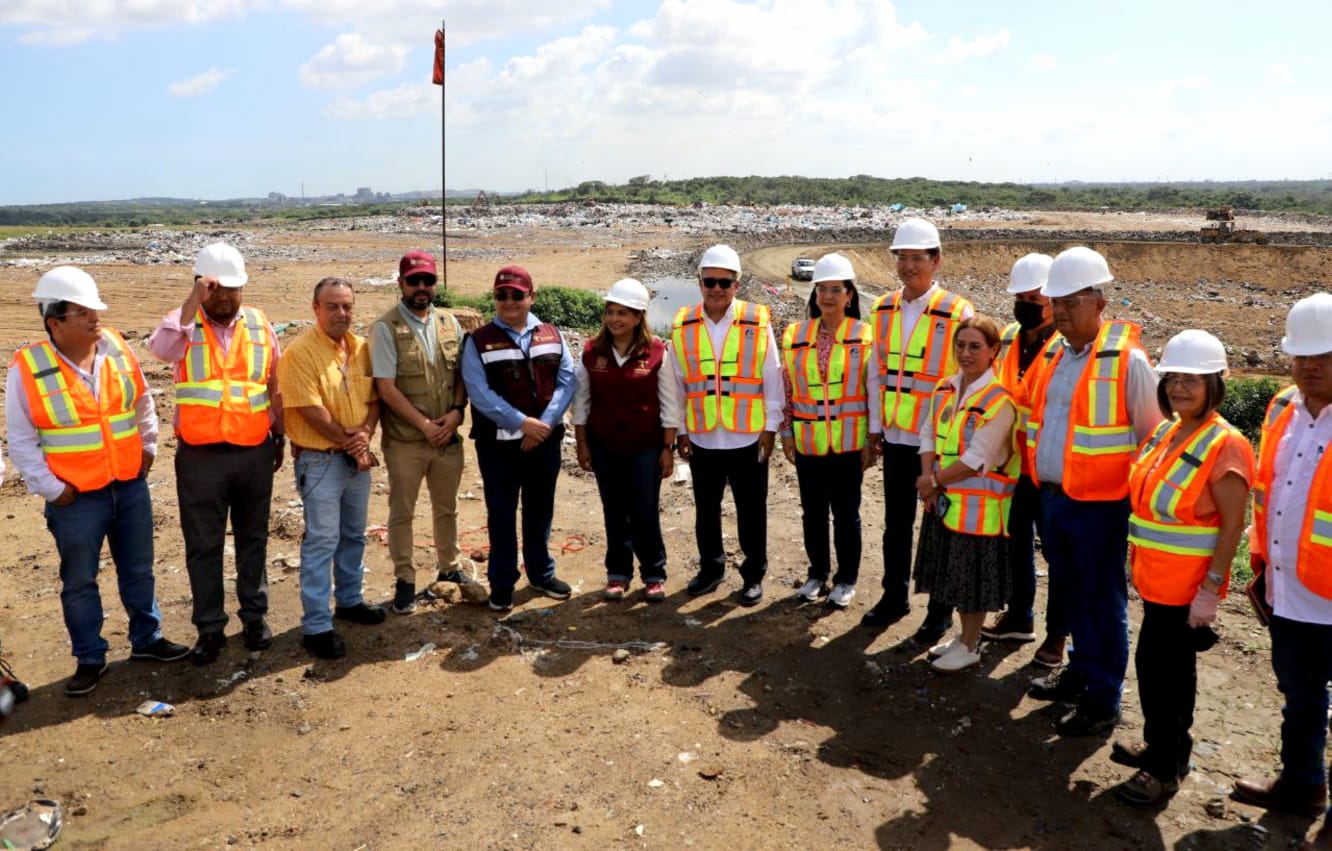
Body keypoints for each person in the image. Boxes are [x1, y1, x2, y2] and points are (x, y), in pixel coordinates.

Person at [6, 267, 189, 696]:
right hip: (75, 501)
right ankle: (90, 657)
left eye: (96, 310)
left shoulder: (117, 348)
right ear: (55, 322)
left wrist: (148, 449)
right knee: (80, 582)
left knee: (139, 570)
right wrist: (52, 489)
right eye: (84, 312)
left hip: (128, 485)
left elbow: (143, 403)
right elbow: (21, 440)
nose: (95, 319)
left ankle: (148, 639)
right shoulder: (29, 367)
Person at [1023, 247, 1163, 736]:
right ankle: (1081, 672)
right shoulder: (1057, 355)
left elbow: (1152, 439)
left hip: (1102, 507)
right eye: (1055, 302)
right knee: (1072, 593)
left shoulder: (1130, 361)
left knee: (1103, 602)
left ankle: (1104, 697)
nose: (1060, 312)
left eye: (1071, 302)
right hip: (1056, 499)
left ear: (1099, 302)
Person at [1111, 330, 1254, 804]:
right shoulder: (1167, 432)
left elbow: (1233, 524)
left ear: (1215, 384)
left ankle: (1165, 769)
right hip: (1155, 580)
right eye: (1172, 378)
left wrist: (1212, 589)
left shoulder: (1226, 444)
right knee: (1154, 670)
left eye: (1192, 380)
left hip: (1186, 590)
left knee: (1168, 679)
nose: (1178, 388)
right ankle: (1164, 748)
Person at [147, 243, 284, 665]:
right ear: (201, 286)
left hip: (254, 453)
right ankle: (209, 628)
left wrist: (278, 435)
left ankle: (254, 618)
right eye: (215, 288)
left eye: (233, 288)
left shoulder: (261, 325)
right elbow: (160, 349)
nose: (225, 296)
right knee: (203, 546)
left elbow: (272, 385)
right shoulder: (184, 328)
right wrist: (192, 302)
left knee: (253, 540)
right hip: (201, 458)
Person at [1232, 293, 1332, 850]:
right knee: (1299, 695)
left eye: (1324, 355)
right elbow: (1271, 493)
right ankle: (1301, 786)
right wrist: (1264, 564)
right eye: (1301, 356)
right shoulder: (1280, 408)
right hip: (1291, 585)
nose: (1310, 366)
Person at [863, 218, 974, 643]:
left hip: (938, 444)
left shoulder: (956, 310)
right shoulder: (884, 307)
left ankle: (939, 610)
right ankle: (894, 597)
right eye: (902, 257)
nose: (908, 266)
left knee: (939, 526)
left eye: (916, 258)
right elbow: (877, 373)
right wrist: (876, 427)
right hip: (896, 437)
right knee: (896, 523)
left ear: (935, 260)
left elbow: (963, 379)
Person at [277, 277, 385, 659]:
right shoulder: (299, 352)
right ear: (315, 309)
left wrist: (366, 434)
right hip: (321, 459)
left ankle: (351, 600)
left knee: (354, 534)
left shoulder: (361, 348)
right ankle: (317, 625)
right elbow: (309, 409)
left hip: (356, 458)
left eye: (348, 306)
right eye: (333, 306)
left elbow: (376, 398)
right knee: (322, 540)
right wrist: (351, 442)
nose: (342, 314)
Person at [671, 244, 782, 606]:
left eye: (724, 282)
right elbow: (676, 383)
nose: (716, 289)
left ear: (737, 284)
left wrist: (770, 428)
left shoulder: (756, 320)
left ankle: (753, 575)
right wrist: (681, 431)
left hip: (747, 436)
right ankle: (711, 568)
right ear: (699, 282)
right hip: (703, 436)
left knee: (752, 511)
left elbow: (772, 377)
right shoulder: (684, 323)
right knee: (706, 509)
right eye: (710, 282)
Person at [461, 265, 576, 611]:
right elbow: (479, 393)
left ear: (532, 297)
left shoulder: (552, 334)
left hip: (544, 441)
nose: (509, 301)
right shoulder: (477, 341)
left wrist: (543, 424)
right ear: (494, 298)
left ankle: (541, 574)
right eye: (501, 295)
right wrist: (522, 424)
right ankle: (502, 583)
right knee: (501, 512)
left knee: (540, 509)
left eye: (516, 295)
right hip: (498, 447)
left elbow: (567, 380)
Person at [912, 316, 1020, 672]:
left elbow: (978, 458)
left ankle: (972, 644)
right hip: (946, 503)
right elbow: (928, 433)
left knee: (973, 582)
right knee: (954, 576)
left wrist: (933, 481)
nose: (966, 353)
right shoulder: (945, 387)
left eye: (975, 347)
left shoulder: (999, 401)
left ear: (993, 352)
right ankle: (961, 638)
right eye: (961, 346)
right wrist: (928, 477)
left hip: (979, 512)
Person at [371, 250, 474, 615]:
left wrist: (457, 414)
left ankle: (450, 567)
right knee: (402, 512)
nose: (421, 287)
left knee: (447, 508)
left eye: (427, 281)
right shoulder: (386, 328)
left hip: (447, 437)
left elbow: (462, 374)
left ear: (435, 284)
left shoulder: (449, 323)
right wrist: (425, 426)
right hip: (407, 442)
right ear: (401, 283)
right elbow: (387, 388)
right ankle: (405, 579)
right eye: (413, 281)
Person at [981, 253, 1070, 668]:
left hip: (1054, 471)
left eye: (1033, 296)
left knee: (1058, 555)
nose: (1025, 303)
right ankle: (1019, 617)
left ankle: (1057, 637)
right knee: (1014, 546)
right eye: (1020, 296)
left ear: (1052, 299)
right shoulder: (1010, 338)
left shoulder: (1068, 348)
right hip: (1014, 466)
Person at [573, 278, 679, 603]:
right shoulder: (592, 352)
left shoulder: (658, 351)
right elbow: (581, 402)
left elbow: (670, 404)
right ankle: (618, 574)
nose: (615, 319)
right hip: (604, 447)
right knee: (614, 510)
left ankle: (653, 573)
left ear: (638, 317)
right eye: (610, 312)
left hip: (645, 448)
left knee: (645, 511)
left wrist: (667, 449)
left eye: (623, 313)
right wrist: (582, 443)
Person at [780, 253, 874, 609]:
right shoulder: (795, 335)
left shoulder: (865, 337)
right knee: (813, 513)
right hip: (808, 443)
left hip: (849, 444)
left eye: (837, 289)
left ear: (850, 295)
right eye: (823, 289)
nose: (829, 296)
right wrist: (786, 434)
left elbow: (873, 392)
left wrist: (871, 439)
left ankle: (846, 578)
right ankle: (817, 573)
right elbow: (787, 388)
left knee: (847, 514)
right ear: (814, 293)